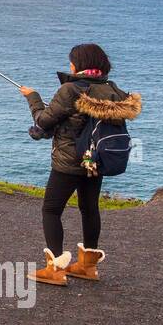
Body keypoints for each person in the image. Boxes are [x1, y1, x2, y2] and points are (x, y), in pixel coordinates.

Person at [19, 43, 142, 286]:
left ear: (80, 64)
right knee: (89, 208)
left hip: (68, 161)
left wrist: (33, 98)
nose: (70, 65)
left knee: (51, 210)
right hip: (95, 160)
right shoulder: (111, 90)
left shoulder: (71, 89)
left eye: (71, 62)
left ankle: (54, 269)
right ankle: (87, 267)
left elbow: (43, 120)